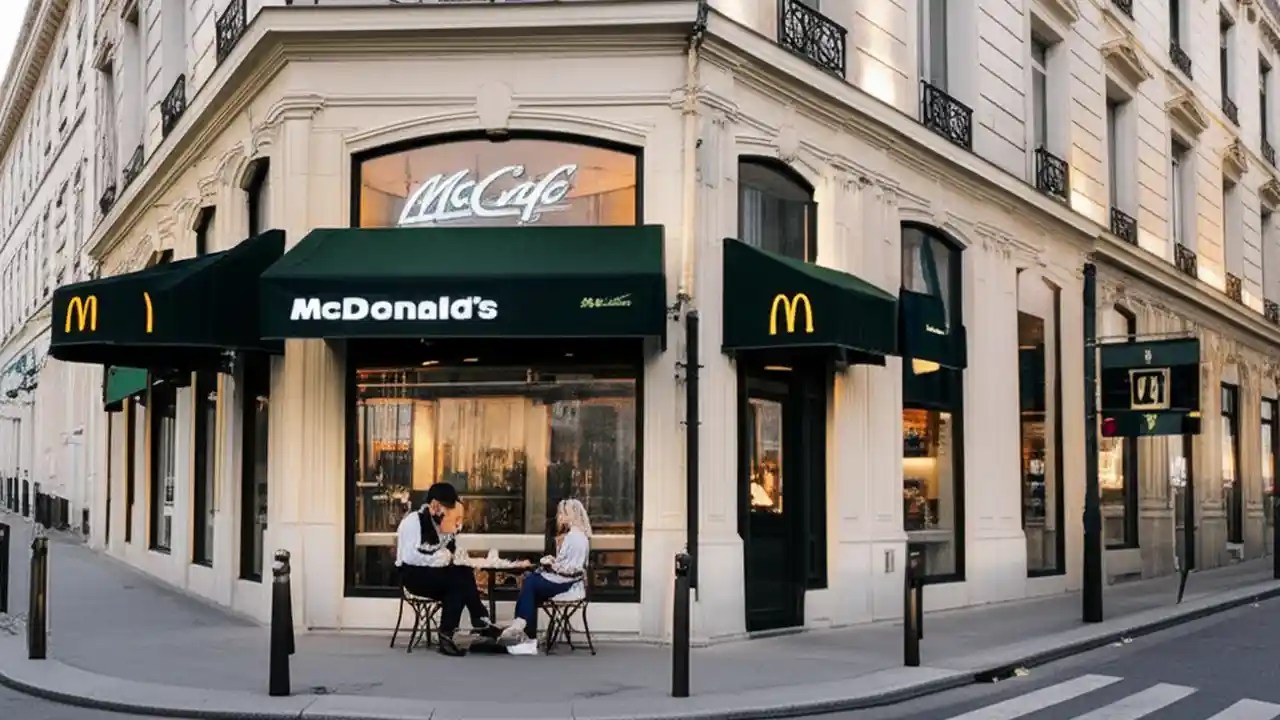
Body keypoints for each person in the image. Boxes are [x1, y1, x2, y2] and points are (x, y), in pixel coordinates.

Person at [395, 482, 498, 656]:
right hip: (413, 575)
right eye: (447, 508)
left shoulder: (441, 525)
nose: (449, 513)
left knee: (461, 575)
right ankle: (478, 618)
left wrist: (453, 555)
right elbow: (410, 557)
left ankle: (451, 634)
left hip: (433, 574)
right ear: (434, 504)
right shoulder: (413, 522)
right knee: (457, 581)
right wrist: (439, 559)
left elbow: (447, 552)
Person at [500, 498, 592, 655]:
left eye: (561, 514)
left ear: (569, 515)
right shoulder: (581, 537)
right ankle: (526, 635)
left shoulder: (572, 537)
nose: (559, 517)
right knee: (531, 587)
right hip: (569, 580)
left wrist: (549, 563)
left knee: (530, 582)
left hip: (565, 581)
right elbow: (571, 565)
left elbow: (567, 569)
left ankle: (524, 631)